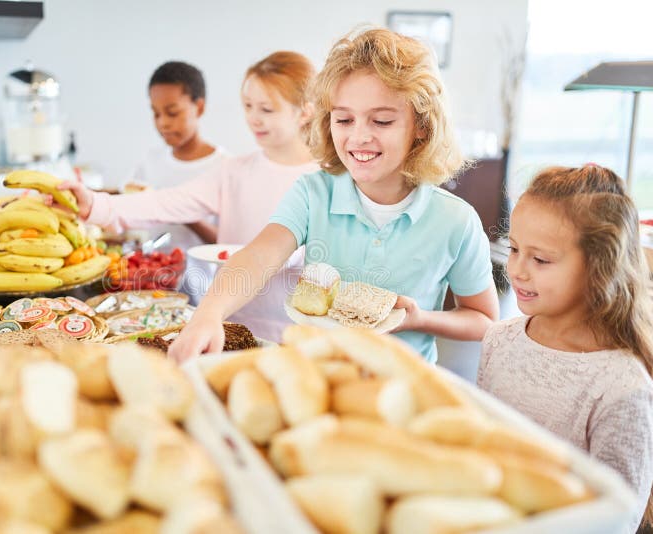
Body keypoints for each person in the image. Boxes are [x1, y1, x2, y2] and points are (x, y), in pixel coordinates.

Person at [168, 27, 499, 363]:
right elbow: (256, 258)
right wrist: (208, 314)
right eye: (344, 119)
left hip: (402, 380)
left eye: (381, 121)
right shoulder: (312, 193)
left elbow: (483, 319)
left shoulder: (455, 220)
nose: (359, 136)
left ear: (422, 126)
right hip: (316, 373)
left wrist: (419, 320)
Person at [60, 51, 318, 341]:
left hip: (299, 333)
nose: (253, 119)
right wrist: (95, 204)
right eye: (248, 106)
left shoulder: (326, 178)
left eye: (266, 110)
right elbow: (168, 201)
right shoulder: (233, 171)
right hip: (229, 326)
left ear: (304, 112)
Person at [477, 164, 653, 534]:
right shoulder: (499, 340)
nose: (517, 269)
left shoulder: (622, 386)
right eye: (513, 249)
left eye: (540, 259)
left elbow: (617, 520)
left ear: (599, 266)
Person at [125, 60, 229, 248]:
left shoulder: (224, 166)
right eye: (156, 113)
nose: (163, 123)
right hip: (153, 265)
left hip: (202, 268)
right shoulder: (151, 160)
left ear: (199, 108)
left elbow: (230, 243)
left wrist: (182, 212)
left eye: (172, 113)